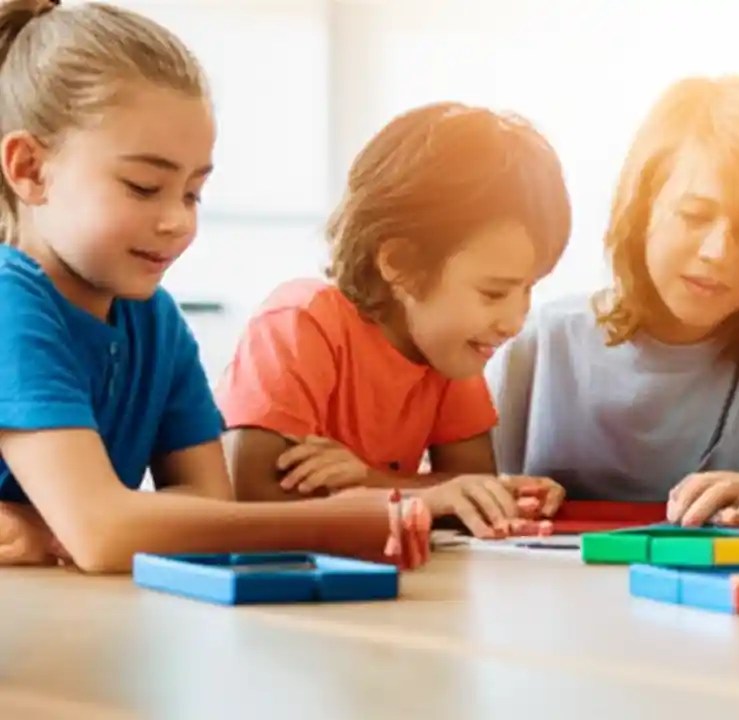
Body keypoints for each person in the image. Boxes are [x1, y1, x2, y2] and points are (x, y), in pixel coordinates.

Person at [0, 0, 427, 572]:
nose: (178, 220)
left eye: (193, 192)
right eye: (143, 186)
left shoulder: (155, 320)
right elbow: (104, 534)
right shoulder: (11, 306)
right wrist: (343, 522)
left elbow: (208, 502)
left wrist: (60, 528)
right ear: (29, 168)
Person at [487, 76, 739, 529]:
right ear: (641, 207)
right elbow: (467, 493)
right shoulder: (541, 343)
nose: (717, 252)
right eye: (694, 216)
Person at [217, 103, 571, 538]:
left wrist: (376, 482)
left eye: (529, 289)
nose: (515, 321)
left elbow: (465, 486)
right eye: (493, 293)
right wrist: (417, 496)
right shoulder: (301, 322)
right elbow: (252, 495)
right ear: (399, 263)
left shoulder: (451, 352)